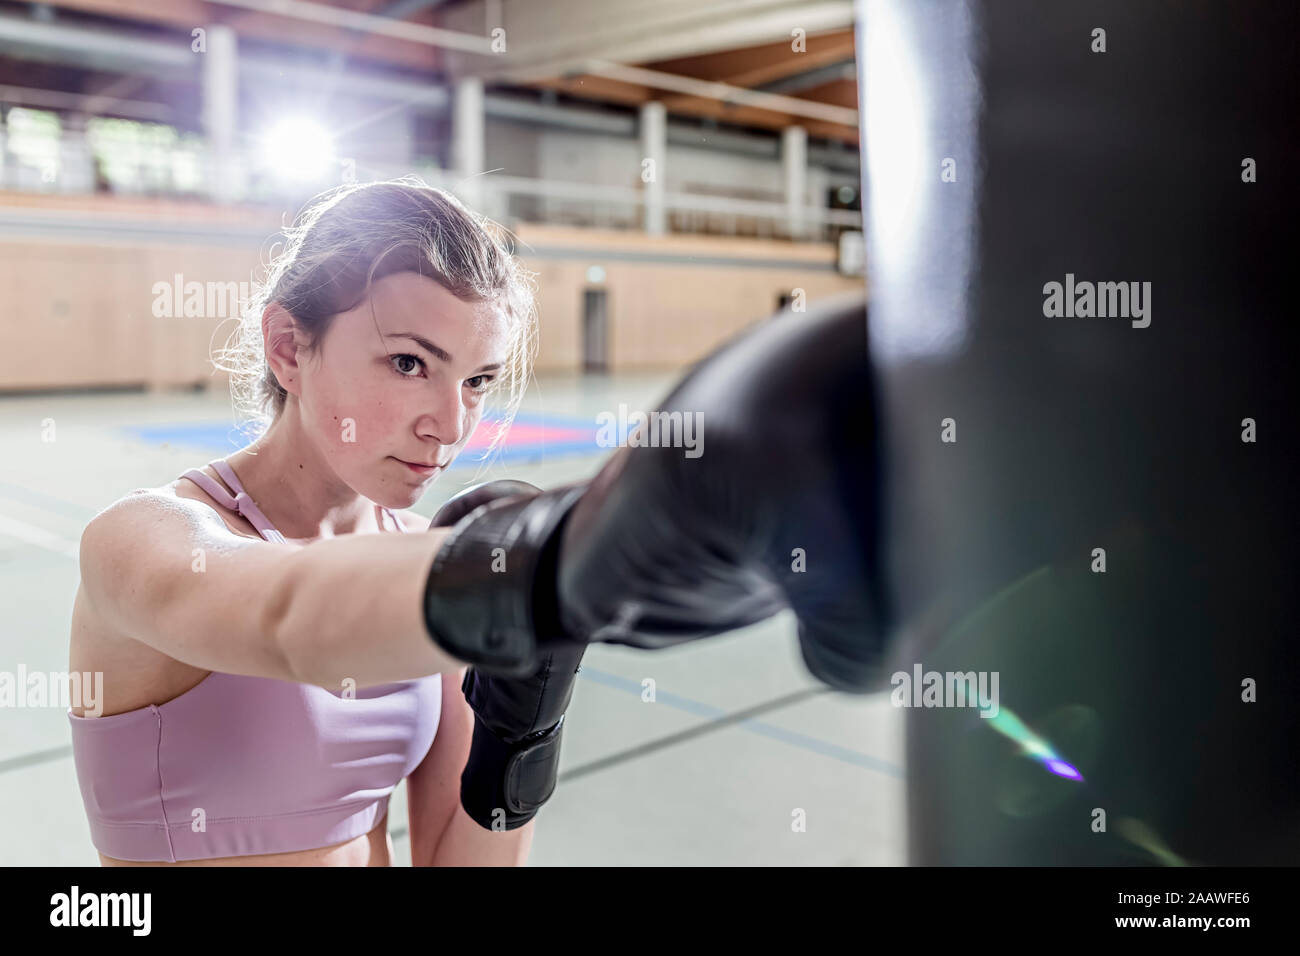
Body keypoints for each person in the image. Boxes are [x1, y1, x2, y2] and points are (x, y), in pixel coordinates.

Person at [69, 178, 881, 866]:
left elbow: (459, 857)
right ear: (288, 345)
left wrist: (522, 731)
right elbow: (288, 619)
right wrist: (561, 557)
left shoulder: (434, 563)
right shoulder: (145, 539)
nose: (450, 426)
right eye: (409, 363)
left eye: (479, 380)